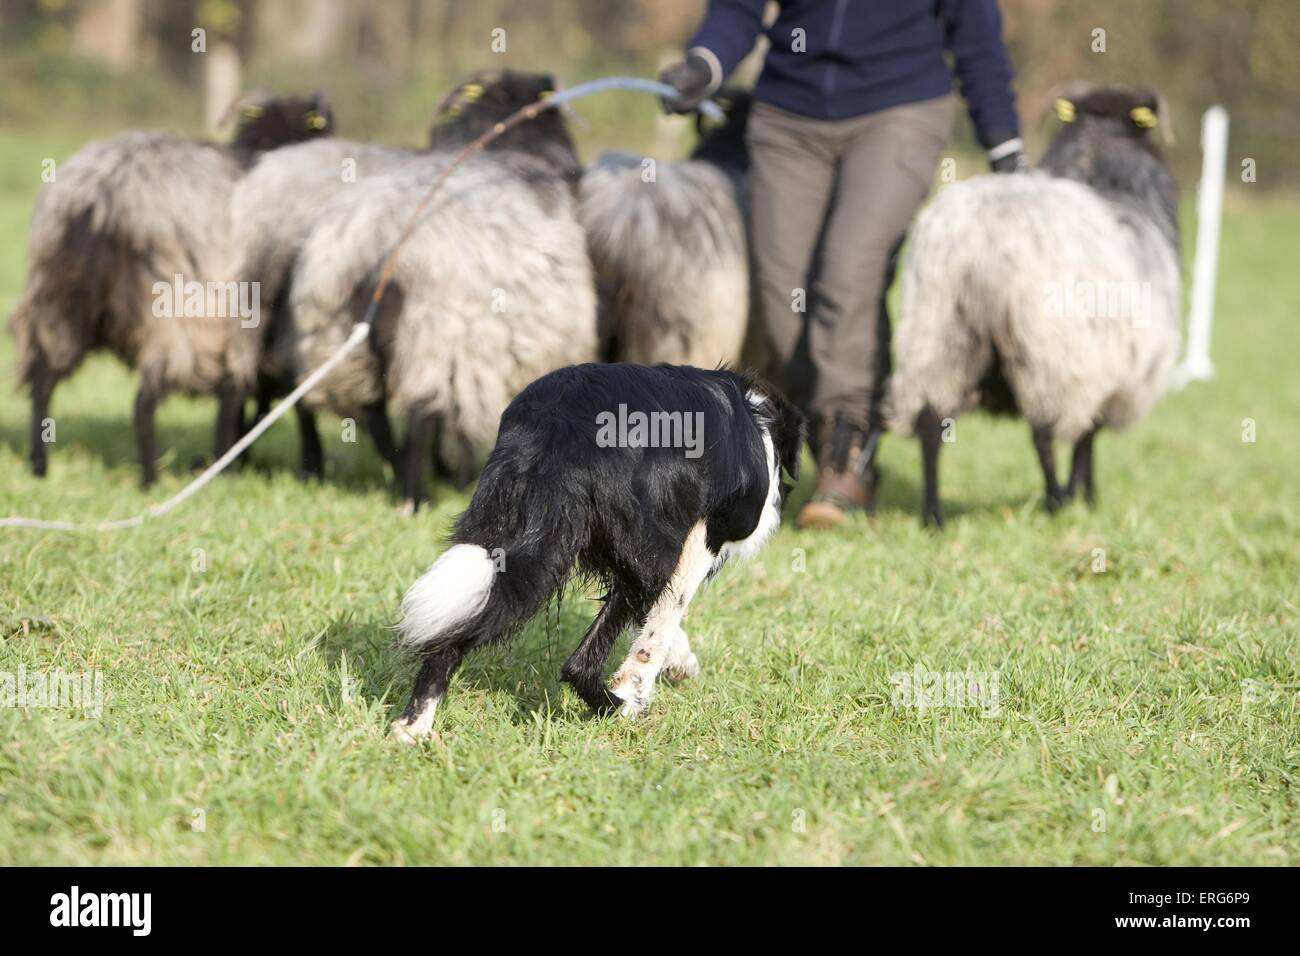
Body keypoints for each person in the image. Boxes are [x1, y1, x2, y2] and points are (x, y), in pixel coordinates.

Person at [661, 0, 1024, 529]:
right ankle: (813, 433)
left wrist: (1005, 144)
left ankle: (848, 451)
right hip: (787, 117)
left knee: (848, 271)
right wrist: (706, 65)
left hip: (900, 110)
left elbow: (975, 31)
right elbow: (738, 9)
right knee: (781, 300)